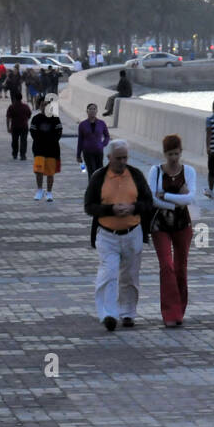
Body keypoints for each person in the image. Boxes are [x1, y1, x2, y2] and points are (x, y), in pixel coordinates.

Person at [85, 139, 153, 331]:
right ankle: (108, 314)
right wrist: (111, 209)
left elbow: (148, 202)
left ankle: (128, 313)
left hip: (133, 233)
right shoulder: (99, 177)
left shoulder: (136, 175)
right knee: (109, 273)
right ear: (109, 158)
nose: (122, 162)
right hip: (107, 235)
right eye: (118, 158)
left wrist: (133, 207)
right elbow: (89, 206)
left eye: (125, 158)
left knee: (130, 276)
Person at [148, 134, 197, 328]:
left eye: (176, 153)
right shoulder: (156, 171)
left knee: (180, 267)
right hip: (160, 225)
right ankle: (170, 312)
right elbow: (153, 198)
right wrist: (176, 201)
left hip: (183, 225)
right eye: (170, 154)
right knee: (166, 266)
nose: (173, 158)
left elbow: (190, 198)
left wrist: (166, 196)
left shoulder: (189, 171)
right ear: (164, 153)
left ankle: (180, 309)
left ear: (181, 152)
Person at [29, 95, 63, 201]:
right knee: (38, 171)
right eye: (42, 105)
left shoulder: (55, 118)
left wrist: (50, 140)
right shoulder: (36, 119)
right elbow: (33, 132)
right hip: (39, 149)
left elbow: (59, 133)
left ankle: (49, 192)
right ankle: (39, 190)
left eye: (46, 105)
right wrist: (41, 140)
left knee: (50, 172)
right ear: (39, 106)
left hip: (52, 150)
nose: (44, 107)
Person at [76, 103, 111, 176]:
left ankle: (99, 187)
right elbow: (80, 140)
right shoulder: (82, 124)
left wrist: (102, 144)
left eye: (94, 109)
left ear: (97, 111)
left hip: (99, 151)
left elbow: (107, 136)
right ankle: (92, 187)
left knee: (100, 172)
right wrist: (78, 155)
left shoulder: (102, 123)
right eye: (90, 109)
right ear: (87, 111)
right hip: (87, 152)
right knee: (92, 171)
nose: (92, 111)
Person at [6, 92, 31, 160]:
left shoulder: (11, 107)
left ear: (15, 98)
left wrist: (8, 127)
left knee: (14, 141)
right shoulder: (26, 106)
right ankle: (23, 155)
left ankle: (15, 153)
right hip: (24, 126)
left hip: (15, 126)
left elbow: (8, 118)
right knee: (23, 141)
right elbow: (29, 115)